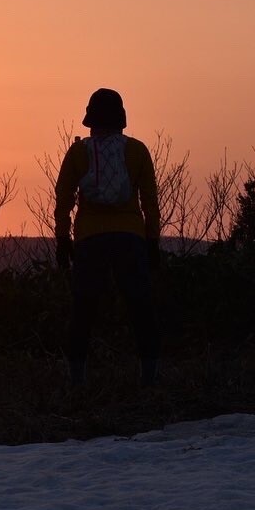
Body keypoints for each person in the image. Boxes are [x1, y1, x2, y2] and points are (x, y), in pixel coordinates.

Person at [54, 88, 161, 386]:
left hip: (90, 239)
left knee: (83, 311)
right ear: (121, 118)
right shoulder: (137, 151)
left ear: (90, 119)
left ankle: (77, 381)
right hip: (131, 238)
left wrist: (63, 241)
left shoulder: (77, 153)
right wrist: (152, 242)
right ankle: (149, 378)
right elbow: (150, 202)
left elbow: (63, 201)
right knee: (140, 307)